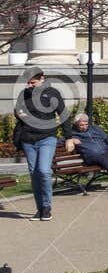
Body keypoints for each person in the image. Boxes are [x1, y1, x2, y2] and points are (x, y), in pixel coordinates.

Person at [12, 71, 68, 221]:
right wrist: (19, 114)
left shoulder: (52, 93)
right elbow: (17, 110)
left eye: (32, 83)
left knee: (43, 171)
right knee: (34, 173)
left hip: (47, 137)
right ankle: (41, 209)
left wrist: (70, 137)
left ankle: (47, 206)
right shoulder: (24, 94)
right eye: (28, 83)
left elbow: (63, 114)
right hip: (28, 139)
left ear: (42, 79)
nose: (29, 85)